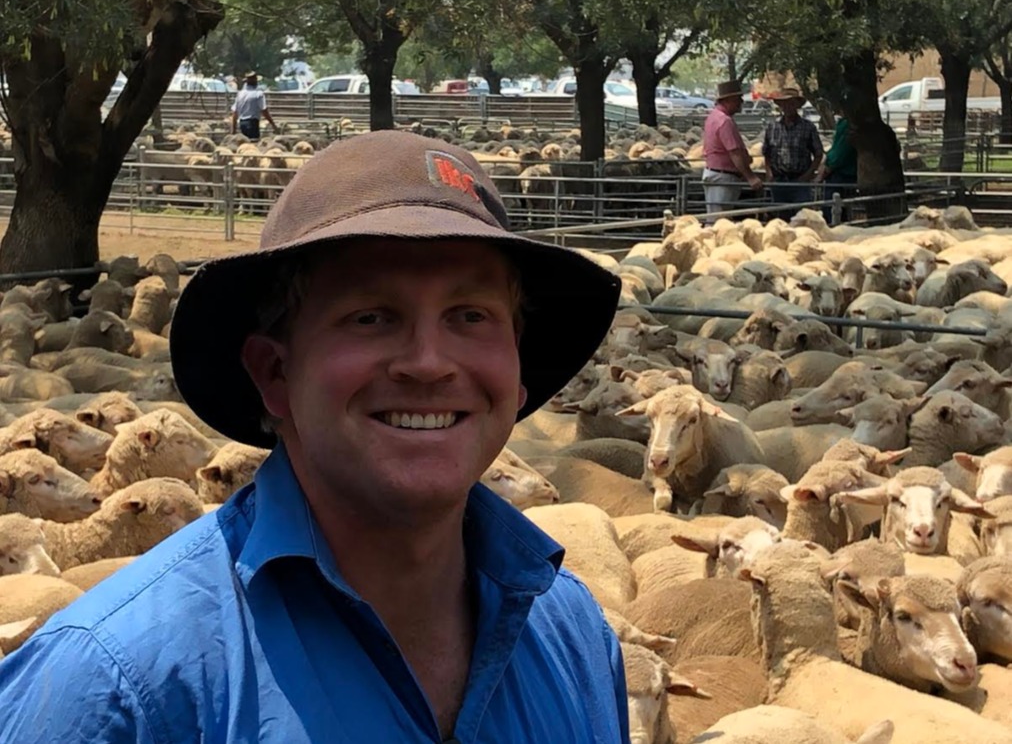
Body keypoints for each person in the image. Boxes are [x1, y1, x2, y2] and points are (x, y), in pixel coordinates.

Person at [0, 131, 630, 743]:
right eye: (371, 317)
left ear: (516, 377)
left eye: (471, 316)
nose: (430, 361)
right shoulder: (114, 687)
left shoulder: (574, 635)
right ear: (275, 373)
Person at [702, 79, 764, 219]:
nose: (741, 102)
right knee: (720, 221)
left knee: (716, 217)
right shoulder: (725, 121)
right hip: (723, 177)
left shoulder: (713, 117)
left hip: (715, 174)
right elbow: (734, 152)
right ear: (728, 100)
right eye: (738, 99)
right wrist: (750, 177)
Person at [762, 87, 824, 219]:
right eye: (785, 103)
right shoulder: (772, 127)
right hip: (779, 181)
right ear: (781, 106)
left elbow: (818, 153)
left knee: (802, 218)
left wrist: (808, 175)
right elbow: (766, 152)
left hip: (800, 181)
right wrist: (769, 173)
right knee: (779, 220)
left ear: (797, 105)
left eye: (791, 103)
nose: (788, 106)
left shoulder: (808, 127)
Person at [816, 106, 858, 224]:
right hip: (844, 173)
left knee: (833, 209)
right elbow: (837, 149)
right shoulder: (846, 123)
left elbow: (841, 151)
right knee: (840, 209)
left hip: (841, 175)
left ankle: (834, 228)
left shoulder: (848, 125)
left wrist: (827, 167)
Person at [231, 71, 278, 139]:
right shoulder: (258, 94)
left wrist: (233, 129)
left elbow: (235, 112)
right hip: (252, 123)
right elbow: (264, 110)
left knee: (245, 142)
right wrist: (273, 124)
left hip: (242, 123)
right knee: (253, 144)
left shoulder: (240, 94)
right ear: (255, 81)